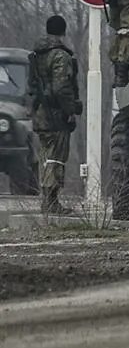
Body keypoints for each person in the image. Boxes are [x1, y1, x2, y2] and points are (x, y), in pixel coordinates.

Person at [26, 15, 79, 216]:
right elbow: (62, 87)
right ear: (63, 31)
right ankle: (51, 202)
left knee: (46, 157)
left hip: (40, 113)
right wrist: (70, 110)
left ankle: (47, 201)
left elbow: (31, 86)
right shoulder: (60, 56)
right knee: (56, 158)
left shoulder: (37, 54)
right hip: (55, 114)